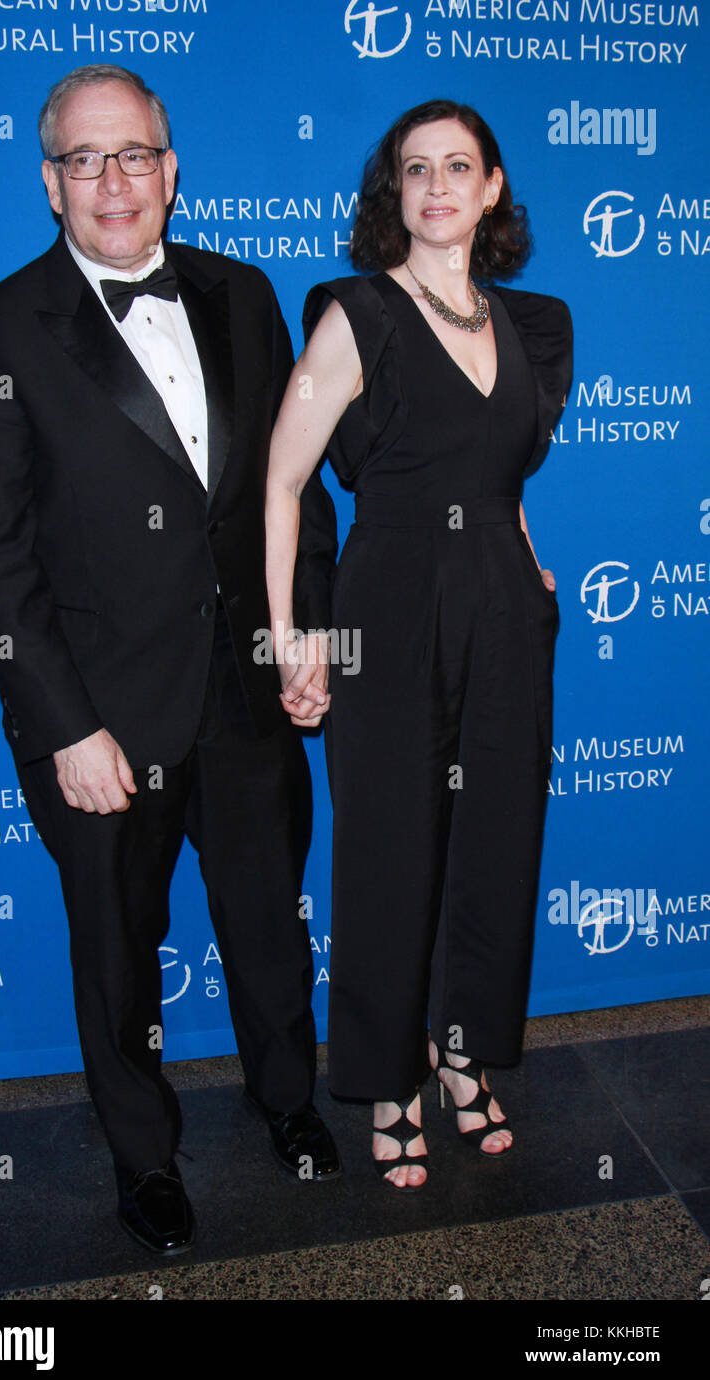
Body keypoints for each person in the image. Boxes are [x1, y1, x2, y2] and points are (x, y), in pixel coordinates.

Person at [0, 63, 340, 1255]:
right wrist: (65, 727)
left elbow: (292, 490)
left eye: (136, 156)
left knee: (269, 920)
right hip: (103, 716)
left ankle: (290, 1102)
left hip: (245, 693)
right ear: (49, 181)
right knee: (117, 954)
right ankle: (145, 1160)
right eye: (85, 158)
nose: (114, 181)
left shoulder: (245, 294)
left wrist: (302, 632)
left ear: (172, 170)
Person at [266, 100, 572, 1188]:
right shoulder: (358, 314)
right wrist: (291, 636)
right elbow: (285, 479)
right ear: (391, 194)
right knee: (392, 848)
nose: (436, 186)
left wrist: (527, 561)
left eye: (458, 167)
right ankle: (388, 1076)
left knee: (496, 841)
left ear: (492, 188)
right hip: (389, 601)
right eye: (414, 170)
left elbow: (507, 475)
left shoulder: (535, 326)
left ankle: (462, 1052)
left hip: (503, 600)